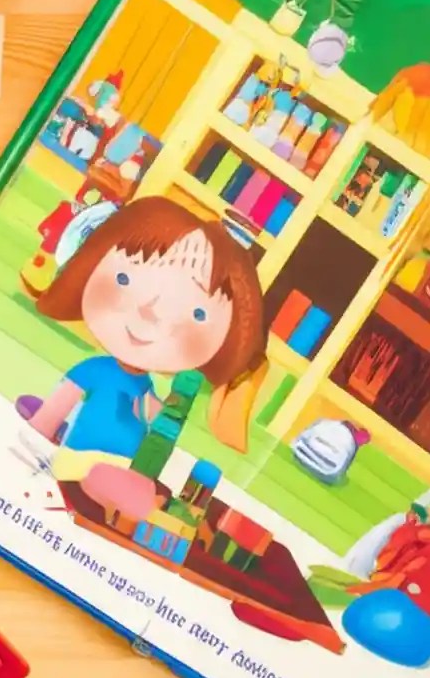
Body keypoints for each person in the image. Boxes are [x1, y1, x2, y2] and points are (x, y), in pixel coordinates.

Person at [26, 196, 266, 480]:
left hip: (121, 467)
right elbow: (51, 415)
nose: (148, 312)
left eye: (197, 313)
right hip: (78, 460)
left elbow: (154, 418)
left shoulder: (143, 387)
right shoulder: (93, 371)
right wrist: (40, 431)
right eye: (124, 280)